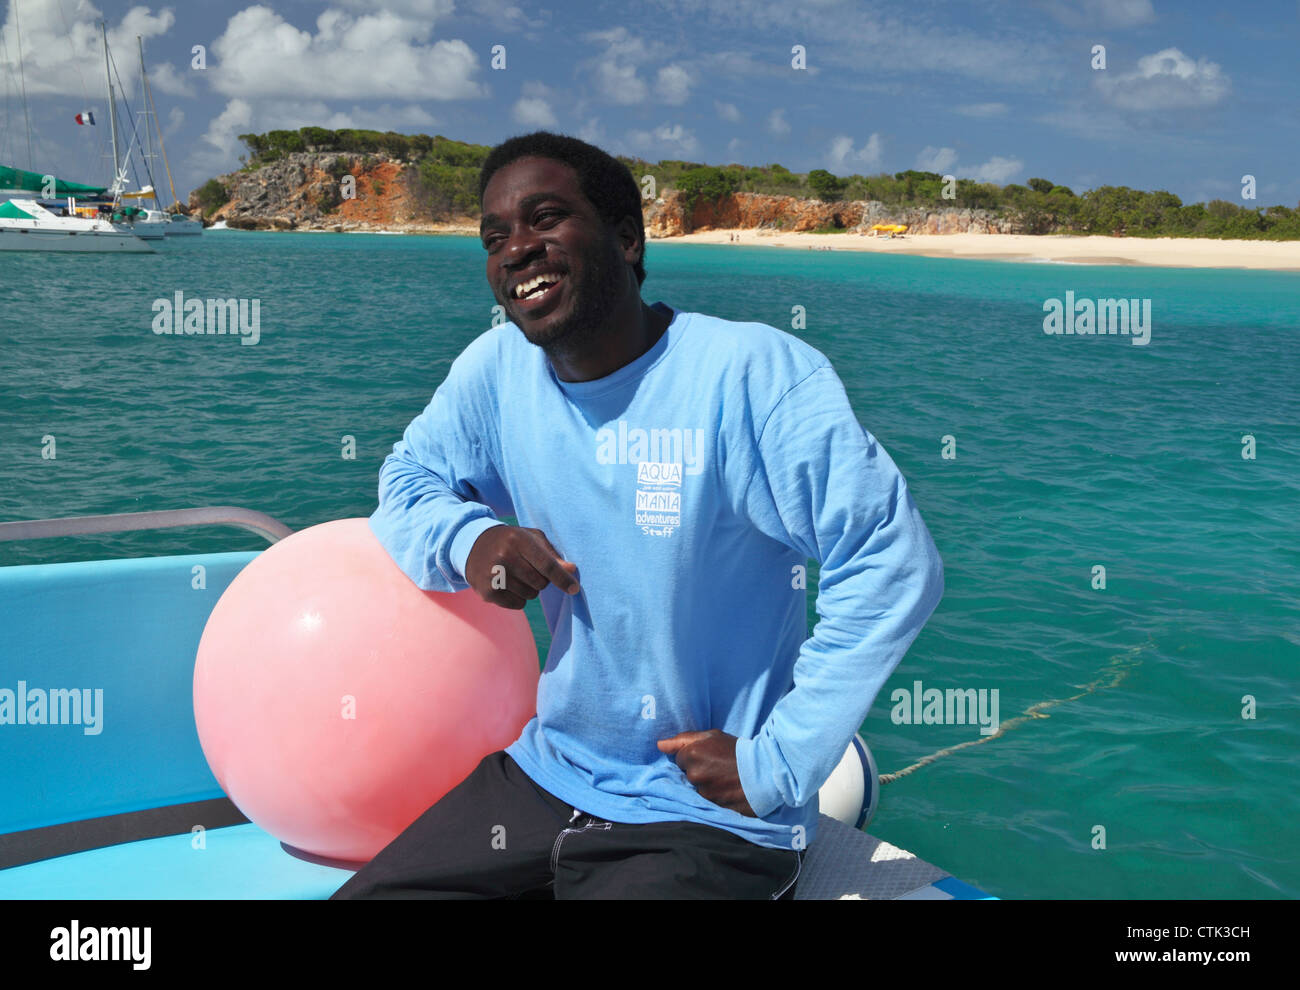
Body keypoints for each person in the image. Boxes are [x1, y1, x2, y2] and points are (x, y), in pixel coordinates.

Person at [330, 131, 943, 900]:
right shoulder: (494, 372)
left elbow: (891, 561)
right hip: (548, 773)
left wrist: (776, 762)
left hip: (708, 819)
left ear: (627, 240)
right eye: (495, 237)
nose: (516, 249)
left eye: (545, 219)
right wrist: (471, 537)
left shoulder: (750, 376)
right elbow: (408, 476)